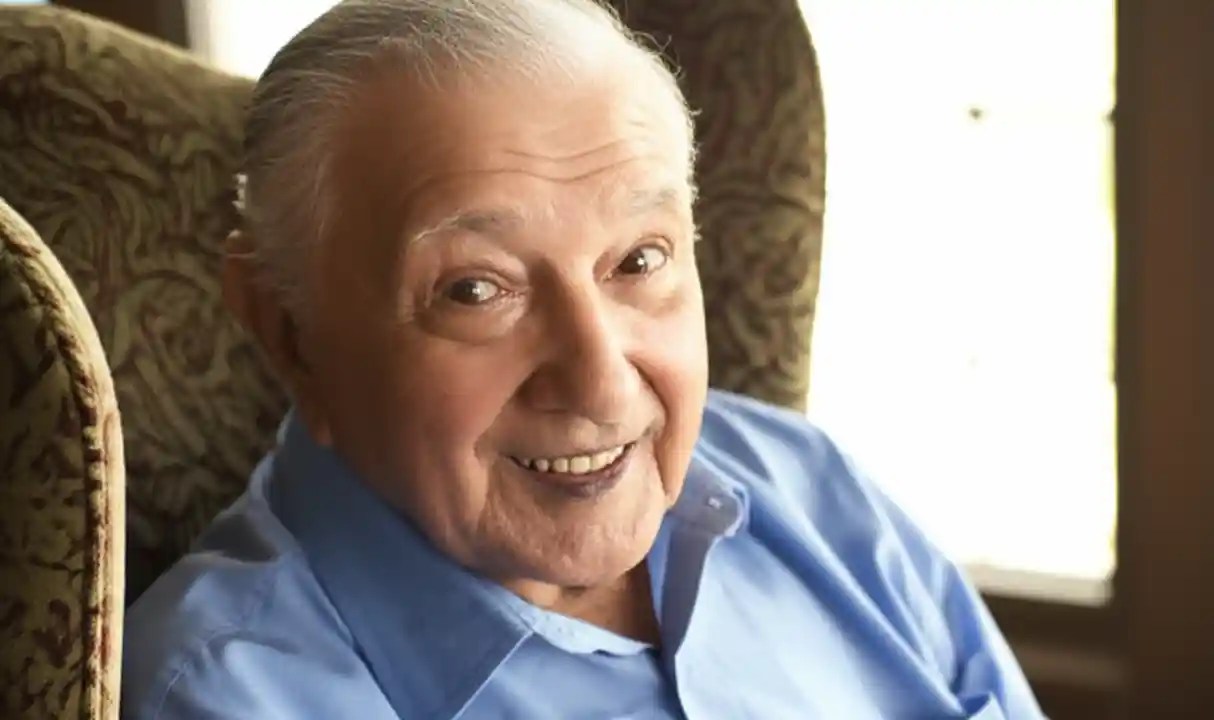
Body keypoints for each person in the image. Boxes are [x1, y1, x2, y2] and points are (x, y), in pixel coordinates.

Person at [122, 0, 1043, 717]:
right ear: (290, 333)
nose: (602, 382)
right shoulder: (222, 698)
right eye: (476, 290)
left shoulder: (805, 486)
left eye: (639, 260)